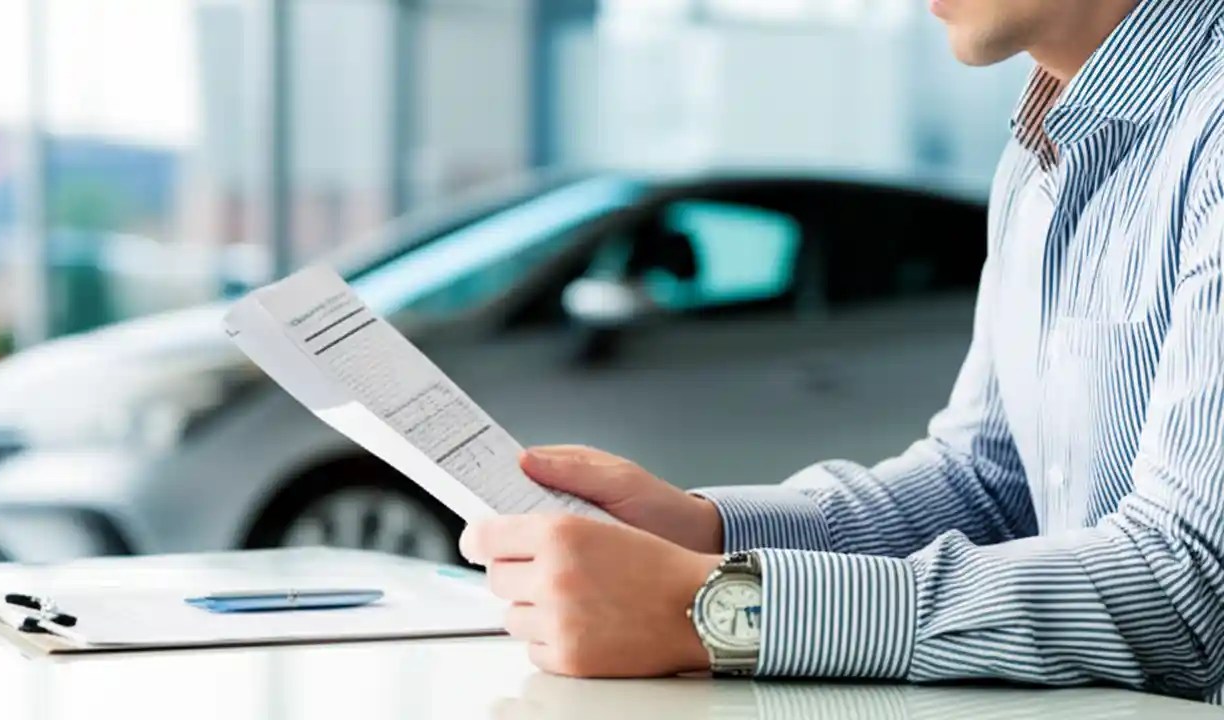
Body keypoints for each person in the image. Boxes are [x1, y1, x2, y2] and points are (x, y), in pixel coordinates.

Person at [460, 0, 1224, 702]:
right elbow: (991, 487)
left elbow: (1189, 586)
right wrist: (706, 532)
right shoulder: (1041, 151)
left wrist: (722, 606)